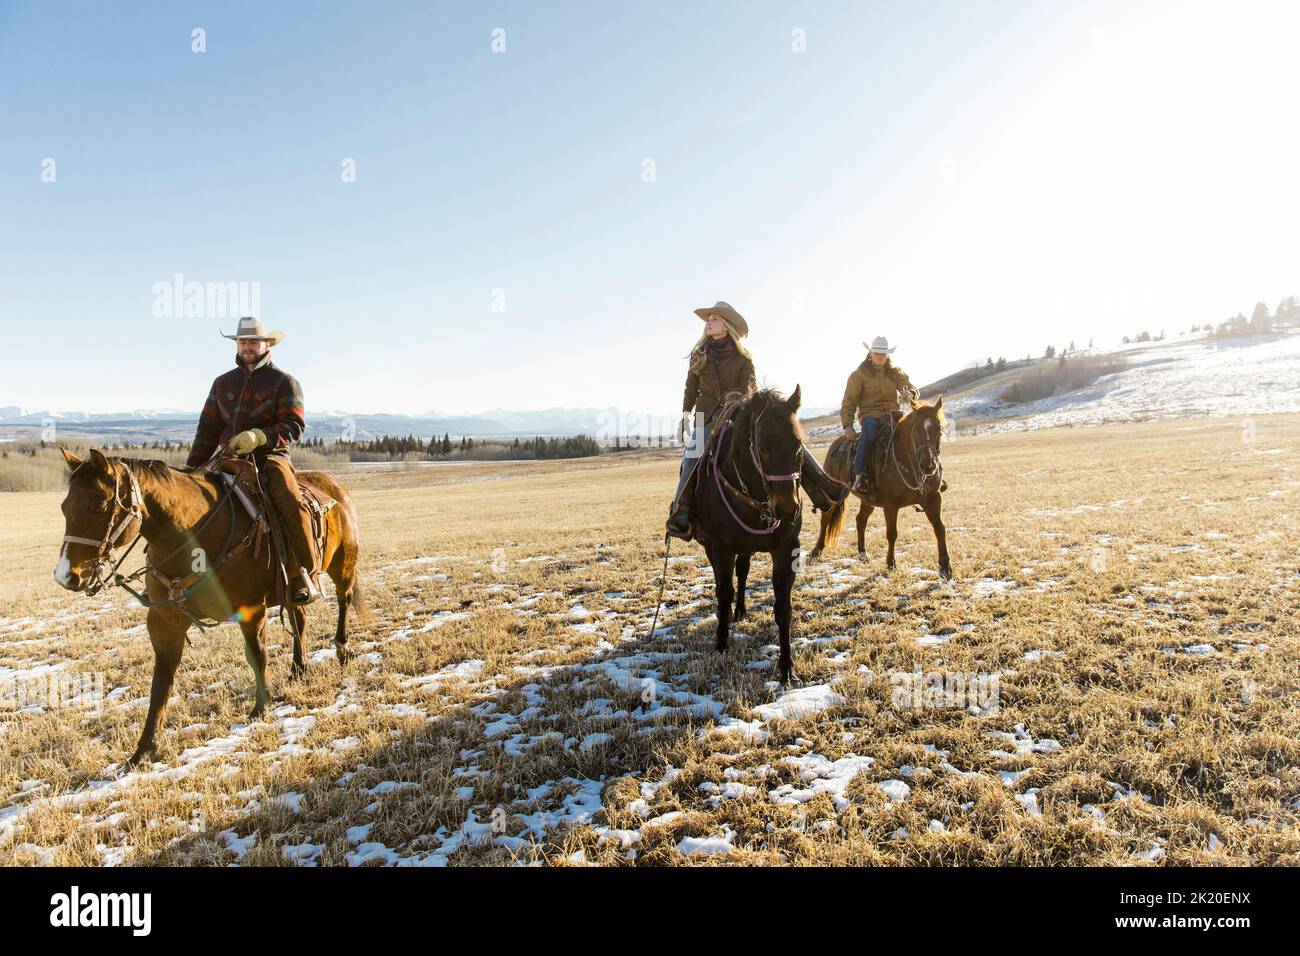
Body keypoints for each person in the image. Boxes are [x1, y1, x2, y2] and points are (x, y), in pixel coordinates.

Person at [667, 301, 849, 540]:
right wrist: (685, 414)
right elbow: (690, 388)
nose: (709, 323)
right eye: (708, 319)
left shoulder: (744, 359)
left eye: (714, 318)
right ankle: (681, 511)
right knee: (692, 454)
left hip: (738, 410)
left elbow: (748, 389)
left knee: (785, 440)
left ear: (727, 325)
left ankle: (824, 486)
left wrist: (738, 398)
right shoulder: (698, 355)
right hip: (705, 414)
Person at [186, 316, 321, 604]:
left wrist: (259, 436)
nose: (247, 346)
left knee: (289, 501)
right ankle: (178, 575)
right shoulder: (222, 383)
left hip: (270, 457)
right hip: (226, 458)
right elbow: (206, 431)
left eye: (253, 341)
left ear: (266, 344)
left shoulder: (284, 382)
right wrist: (189, 470)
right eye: (242, 341)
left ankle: (304, 574)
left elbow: (293, 425)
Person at [840, 336, 919, 498]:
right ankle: (859, 476)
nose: (880, 356)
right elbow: (849, 402)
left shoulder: (896, 373)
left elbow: (912, 389)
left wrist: (909, 393)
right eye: (877, 353)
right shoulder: (858, 375)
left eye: (883, 353)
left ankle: (924, 475)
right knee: (869, 436)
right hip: (871, 415)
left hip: (893, 415)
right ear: (870, 353)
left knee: (916, 433)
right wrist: (847, 425)